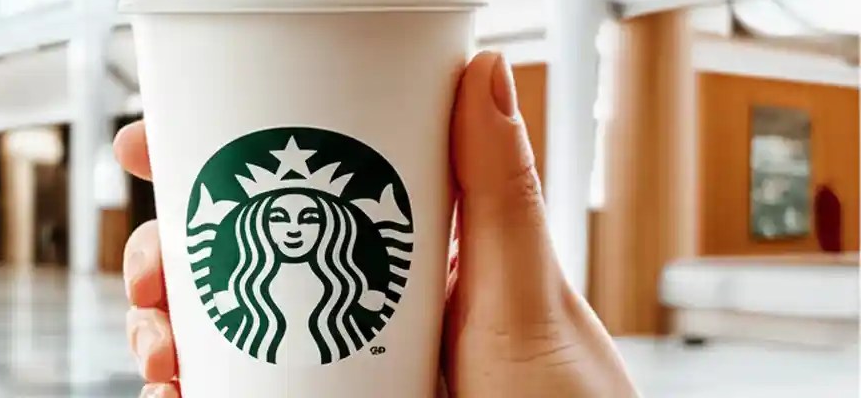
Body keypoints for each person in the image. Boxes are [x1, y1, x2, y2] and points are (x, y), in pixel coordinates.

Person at [115, 51, 639, 397]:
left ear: (334, 226)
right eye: (278, 215)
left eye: (309, 215)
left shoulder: (354, 299)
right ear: (255, 224)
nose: (293, 228)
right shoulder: (245, 297)